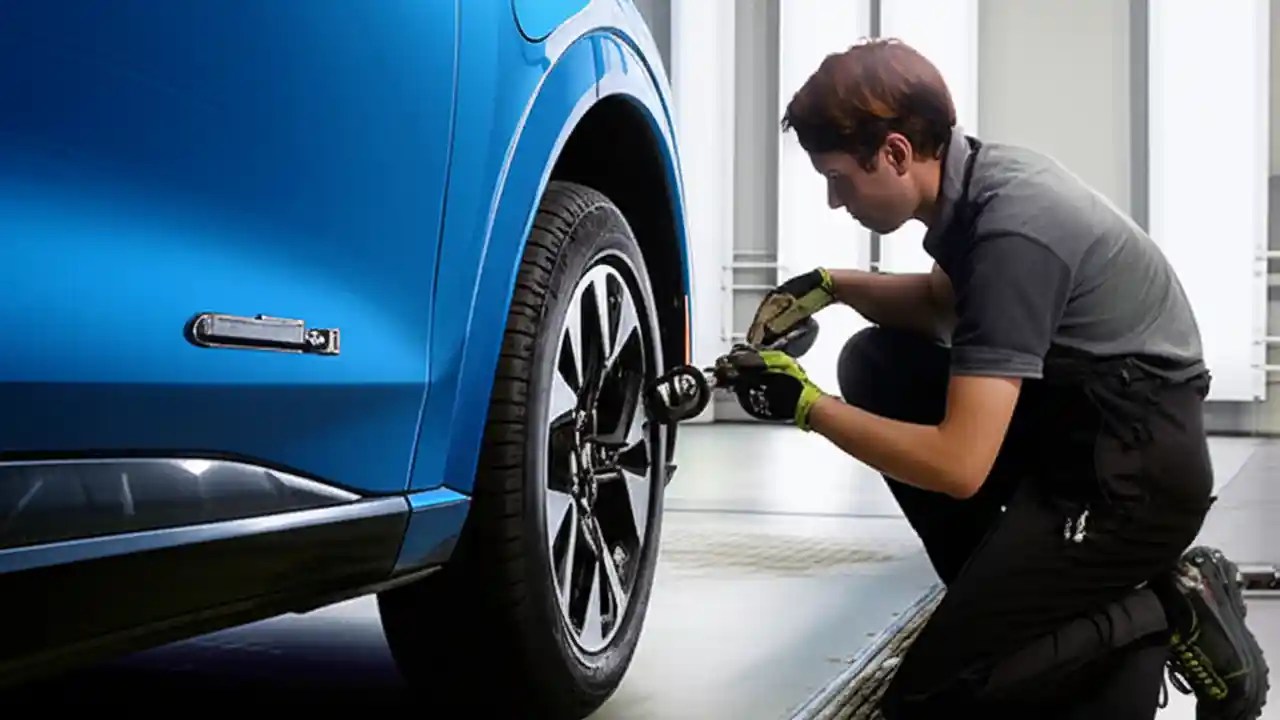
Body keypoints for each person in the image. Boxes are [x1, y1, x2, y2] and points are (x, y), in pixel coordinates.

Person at [723, 38, 1269, 719]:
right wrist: (830, 288)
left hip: (1132, 477)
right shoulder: (979, 181)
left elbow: (959, 466)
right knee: (875, 361)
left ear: (894, 153)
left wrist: (806, 407)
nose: (836, 202)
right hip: (1084, 425)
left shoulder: (1014, 231)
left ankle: (1165, 605)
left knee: (932, 700)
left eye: (839, 178)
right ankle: (1012, 597)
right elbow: (938, 306)